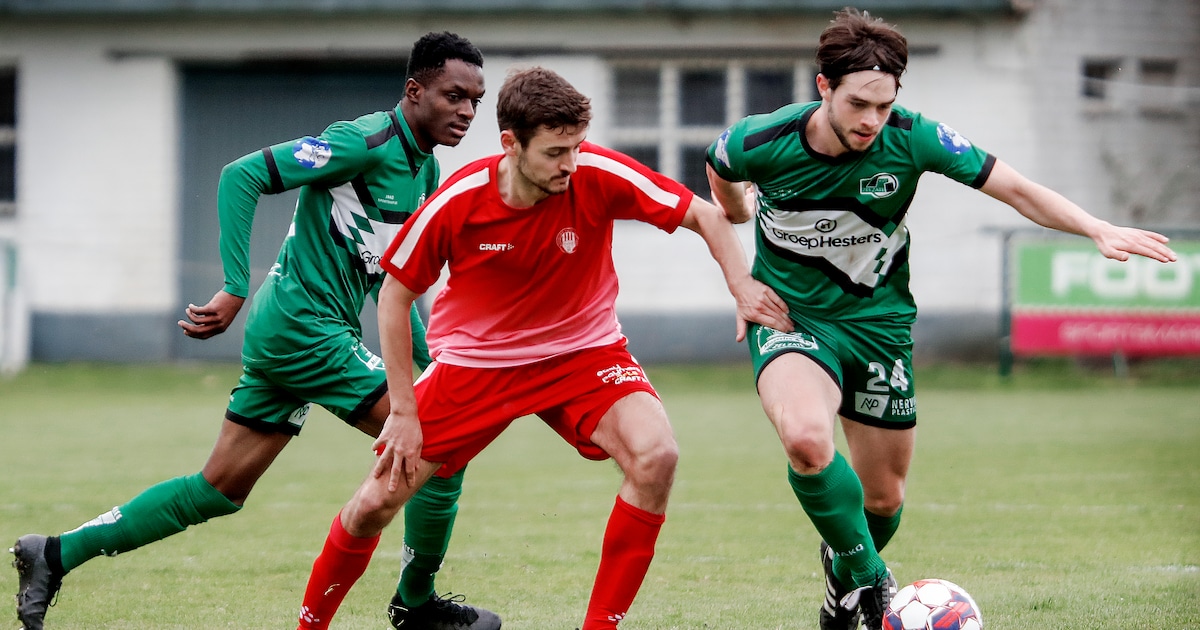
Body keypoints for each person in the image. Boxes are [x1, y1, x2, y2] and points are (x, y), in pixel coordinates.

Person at [704, 8, 1178, 630]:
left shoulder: (914, 136)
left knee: (883, 499)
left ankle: (843, 580)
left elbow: (1015, 187)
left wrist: (1096, 227)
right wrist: (738, 219)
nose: (872, 120)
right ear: (823, 86)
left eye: (884, 104)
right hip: (791, 319)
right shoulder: (761, 140)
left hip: (879, 326)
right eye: (857, 104)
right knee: (806, 440)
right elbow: (719, 172)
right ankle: (872, 583)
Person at [11, 31, 500, 630]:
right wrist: (234, 283)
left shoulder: (425, 174)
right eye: (455, 96)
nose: (467, 113)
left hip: (298, 335)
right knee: (440, 442)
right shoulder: (363, 141)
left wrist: (430, 365)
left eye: (477, 101)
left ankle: (54, 553)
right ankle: (417, 605)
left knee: (218, 489)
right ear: (414, 90)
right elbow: (240, 175)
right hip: (305, 330)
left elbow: (392, 286)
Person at [293, 66, 793, 630]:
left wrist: (742, 285)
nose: (572, 165)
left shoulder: (596, 173)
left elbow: (703, 213)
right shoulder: (458, 202)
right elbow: (393, 296)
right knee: (373, 505)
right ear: (511, 144)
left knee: (657, 457)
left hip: (584, 355)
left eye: (577, 147)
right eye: (557, 152)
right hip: (477, 366)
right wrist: (403, 412)